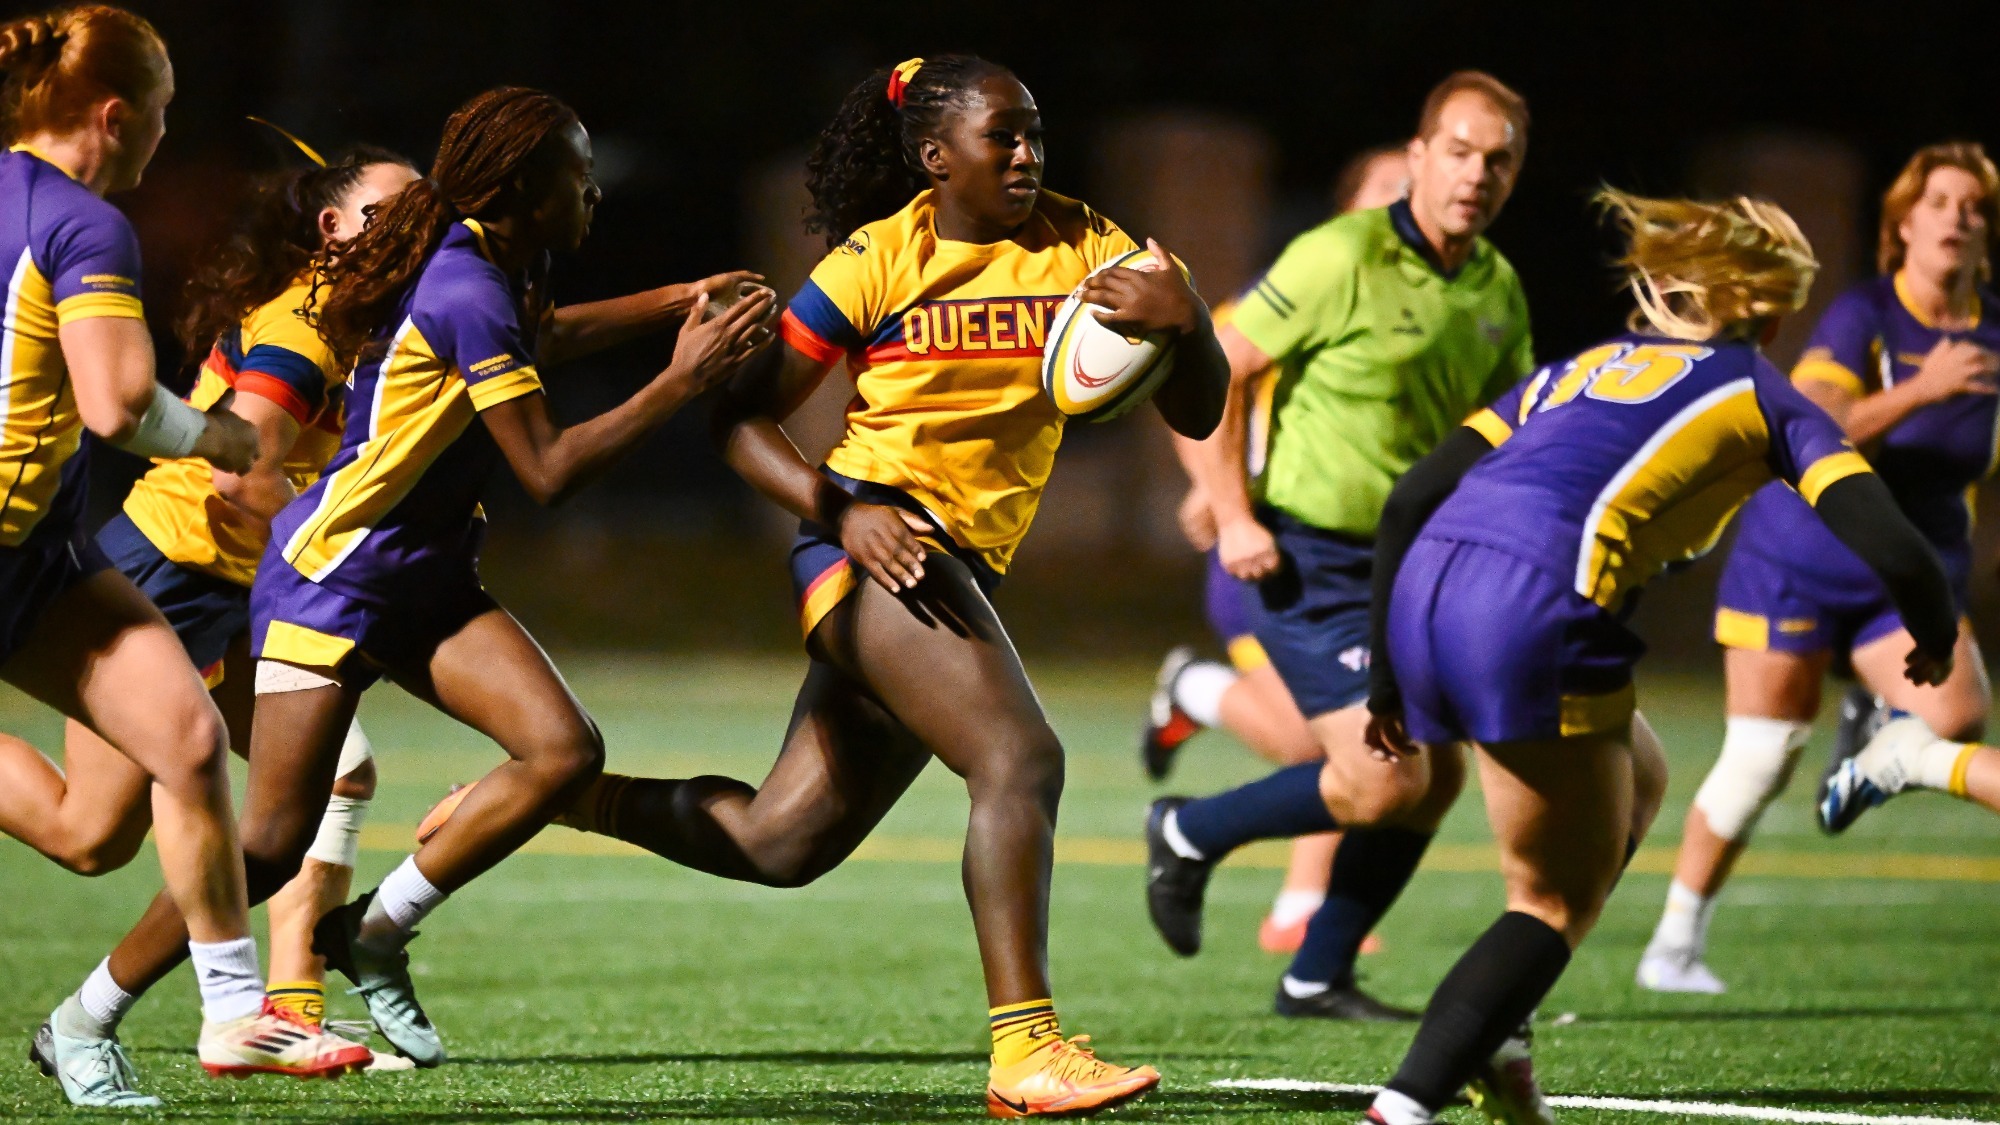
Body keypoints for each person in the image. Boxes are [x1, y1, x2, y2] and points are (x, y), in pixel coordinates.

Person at [434, 54, 1226, 1118]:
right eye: (1005, 136)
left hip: (954, 562)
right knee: (1019, 758)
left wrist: (1189, 321)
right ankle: (1024, 1050)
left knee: (781, 842)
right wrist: (839, 512)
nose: (1030, 153)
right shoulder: (873, 263)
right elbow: (739, 421)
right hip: (866, 545)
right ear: (936, 157)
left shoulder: (1095, 249)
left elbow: (1197, 415)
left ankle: (557, 795)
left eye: (1036, 130)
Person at [36, 84, 774, 1105]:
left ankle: (371, 932)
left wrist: (672, 297)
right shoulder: (461, 282)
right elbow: (549, 470)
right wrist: (677, 381)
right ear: (520, 187)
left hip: (421, 576)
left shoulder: (491, 269)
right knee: (259, 842)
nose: (594, 188)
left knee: (562, 750)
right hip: (333, 579)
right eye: (577, 171)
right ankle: (83, 1019)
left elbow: (539, 333)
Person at [1355, 187, 1958, 1125]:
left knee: (1640, 768)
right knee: (1549, 902)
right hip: (1531, 602)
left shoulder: (1576, 369)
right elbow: (1893, 547)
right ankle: (1404, 1106)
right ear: (1767, 309)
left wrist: (1388, 669)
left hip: (1426, 582)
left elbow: (1407, 500)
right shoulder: (1766, 394)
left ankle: (1500, 1031)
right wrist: (1936, 629)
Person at [0, 5, 385, 1106]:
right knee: (139, 792)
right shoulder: (80, 221)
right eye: (162, 119)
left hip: (40, 548)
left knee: (164, 755)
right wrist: (220, 436)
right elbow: (120, 402)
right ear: (116, 117)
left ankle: (231, 1014)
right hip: (36, 540)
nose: (166, 141)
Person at [1141, 72, 1534, 1021]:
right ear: (1418, 156)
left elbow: (1514, 432)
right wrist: (1230, 511)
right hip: (1309, 557)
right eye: (1459, 150)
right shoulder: (1340, 254)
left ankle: (1317, 973)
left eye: (1498, 159)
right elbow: (1209, 373)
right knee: (1382, 775)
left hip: (1416, 568)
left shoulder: (1496, 287)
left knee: (1431, 776)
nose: (1475, 174)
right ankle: (1189, 829)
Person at [1637, 143, 2000, 995]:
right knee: (1762, 757)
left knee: (1959, 715)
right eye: (1939, 201)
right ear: (1902, 225)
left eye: (1974, 206)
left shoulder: (1993, 331)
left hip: (1906, 571)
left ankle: (1885, 739)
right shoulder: (1866, 314)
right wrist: (1923, 388)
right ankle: (1675, 943)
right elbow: (1820, 419)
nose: (1957, 216)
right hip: (1799, 555)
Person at [1143, 143, 1409, 956]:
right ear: (1347, 207)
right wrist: (1221, 497)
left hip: (1364, 559)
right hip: (1277, 554)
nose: (1409, 206)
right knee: (1323, 740)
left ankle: (1300, 903)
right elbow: (1202, 374)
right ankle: (1196, 691)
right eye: (1387, 192)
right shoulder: (1311, 281)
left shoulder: (1428, 299)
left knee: (1353, 741)